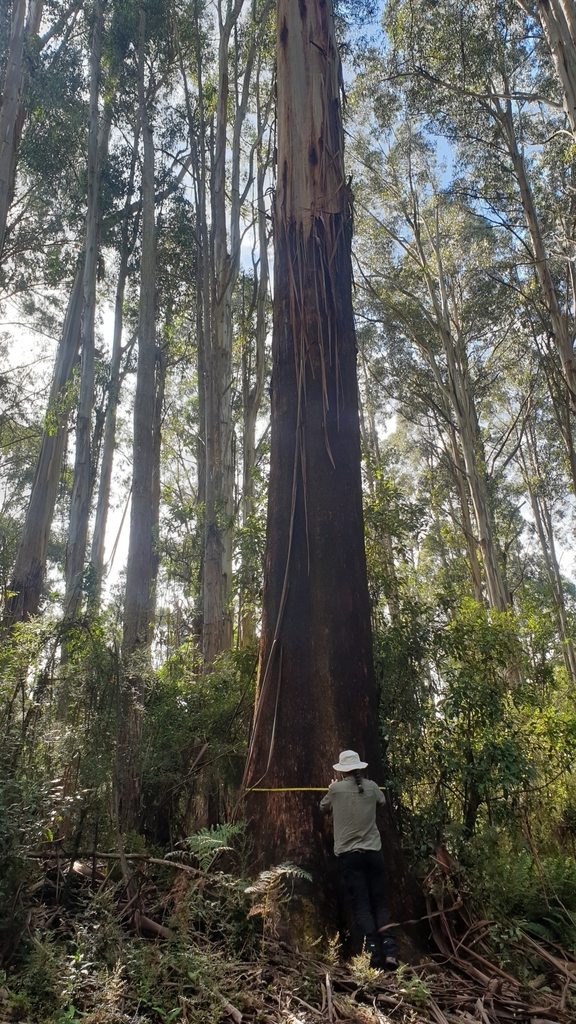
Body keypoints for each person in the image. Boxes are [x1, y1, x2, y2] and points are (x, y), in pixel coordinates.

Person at [320, 749, 400, 970]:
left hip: (349, 856)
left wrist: (331, 789)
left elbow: (322, 807)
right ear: (360, 768)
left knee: (362, 905)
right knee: (379, 902)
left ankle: (373, 954)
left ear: (342, 770)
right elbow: (382, 801)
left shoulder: (335, 789)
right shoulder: (372, 786)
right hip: (374, 853)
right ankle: (390, 950)